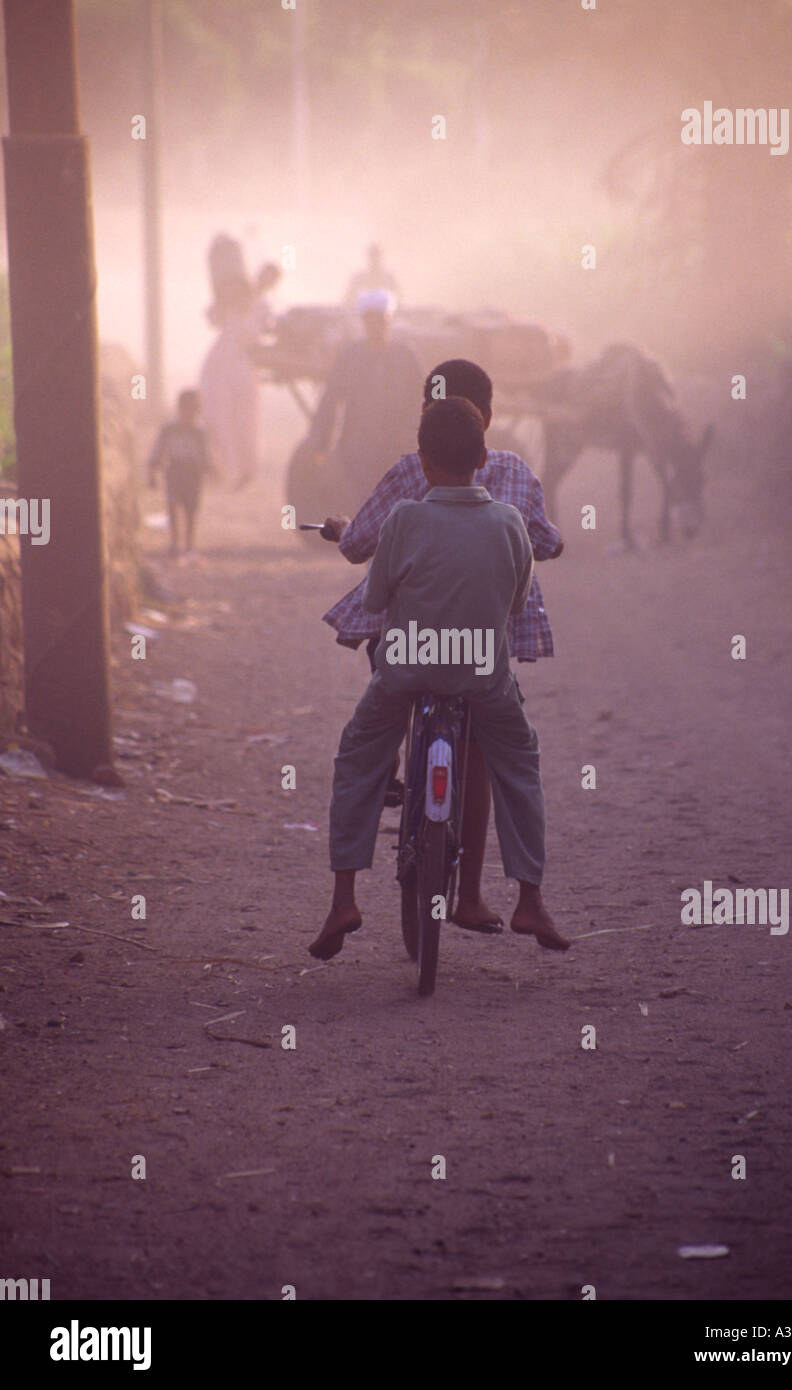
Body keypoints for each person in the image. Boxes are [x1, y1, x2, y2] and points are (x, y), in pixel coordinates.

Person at [309, 396, 569, 961]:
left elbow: (375, 598)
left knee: (360, 754)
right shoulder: (507, 523)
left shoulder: (404, 518)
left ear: (422, 462)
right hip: (483, 673)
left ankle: (343, 899)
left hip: (407, 667)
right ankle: (530, 897)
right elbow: (516, 600)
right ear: (483, 457)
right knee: (518, 760)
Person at [297, 289, 423, 513]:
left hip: (399, 445)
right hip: (359, 446)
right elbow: (330, 401)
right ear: (363, 322)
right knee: (366, 502)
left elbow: (421, 400)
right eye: (370, 320)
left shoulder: (406, 356)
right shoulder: (350, 357)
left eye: (380, 320)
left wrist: (414, 437)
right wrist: (320, 442)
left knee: (398, 505)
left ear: (389, 320)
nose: (375, 326)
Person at [198, 235, 280, 489]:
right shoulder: (232, 301)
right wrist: (229, 299)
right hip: (219, 365)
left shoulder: (264, 306)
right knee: (216, 414)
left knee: (245, 419)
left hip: (244, 367)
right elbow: (212, 317)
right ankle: (220, 468)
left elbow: (269, 333)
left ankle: (245, 471)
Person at [147, 389, 214, 561]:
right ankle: (175, 544)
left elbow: (205, 454)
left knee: (191, 510)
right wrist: (152, 471)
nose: (190, 415)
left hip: (193, 473)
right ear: (180, 409)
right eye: (188, 410)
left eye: (194, 410)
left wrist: (209, 470)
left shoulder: (199, 432)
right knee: (173, 506)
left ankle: (190, 545)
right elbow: (158, 449)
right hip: (175, 471)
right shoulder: (169, 429)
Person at [344, 243, 401, 307]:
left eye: (376, 256)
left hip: (384, 315)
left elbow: (398, 299)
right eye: (372, 256)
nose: (374, 260)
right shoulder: (359, 278)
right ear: (368, 258)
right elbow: (347, 299)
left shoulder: (388, 278)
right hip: (363, 314)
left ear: (380, 258)